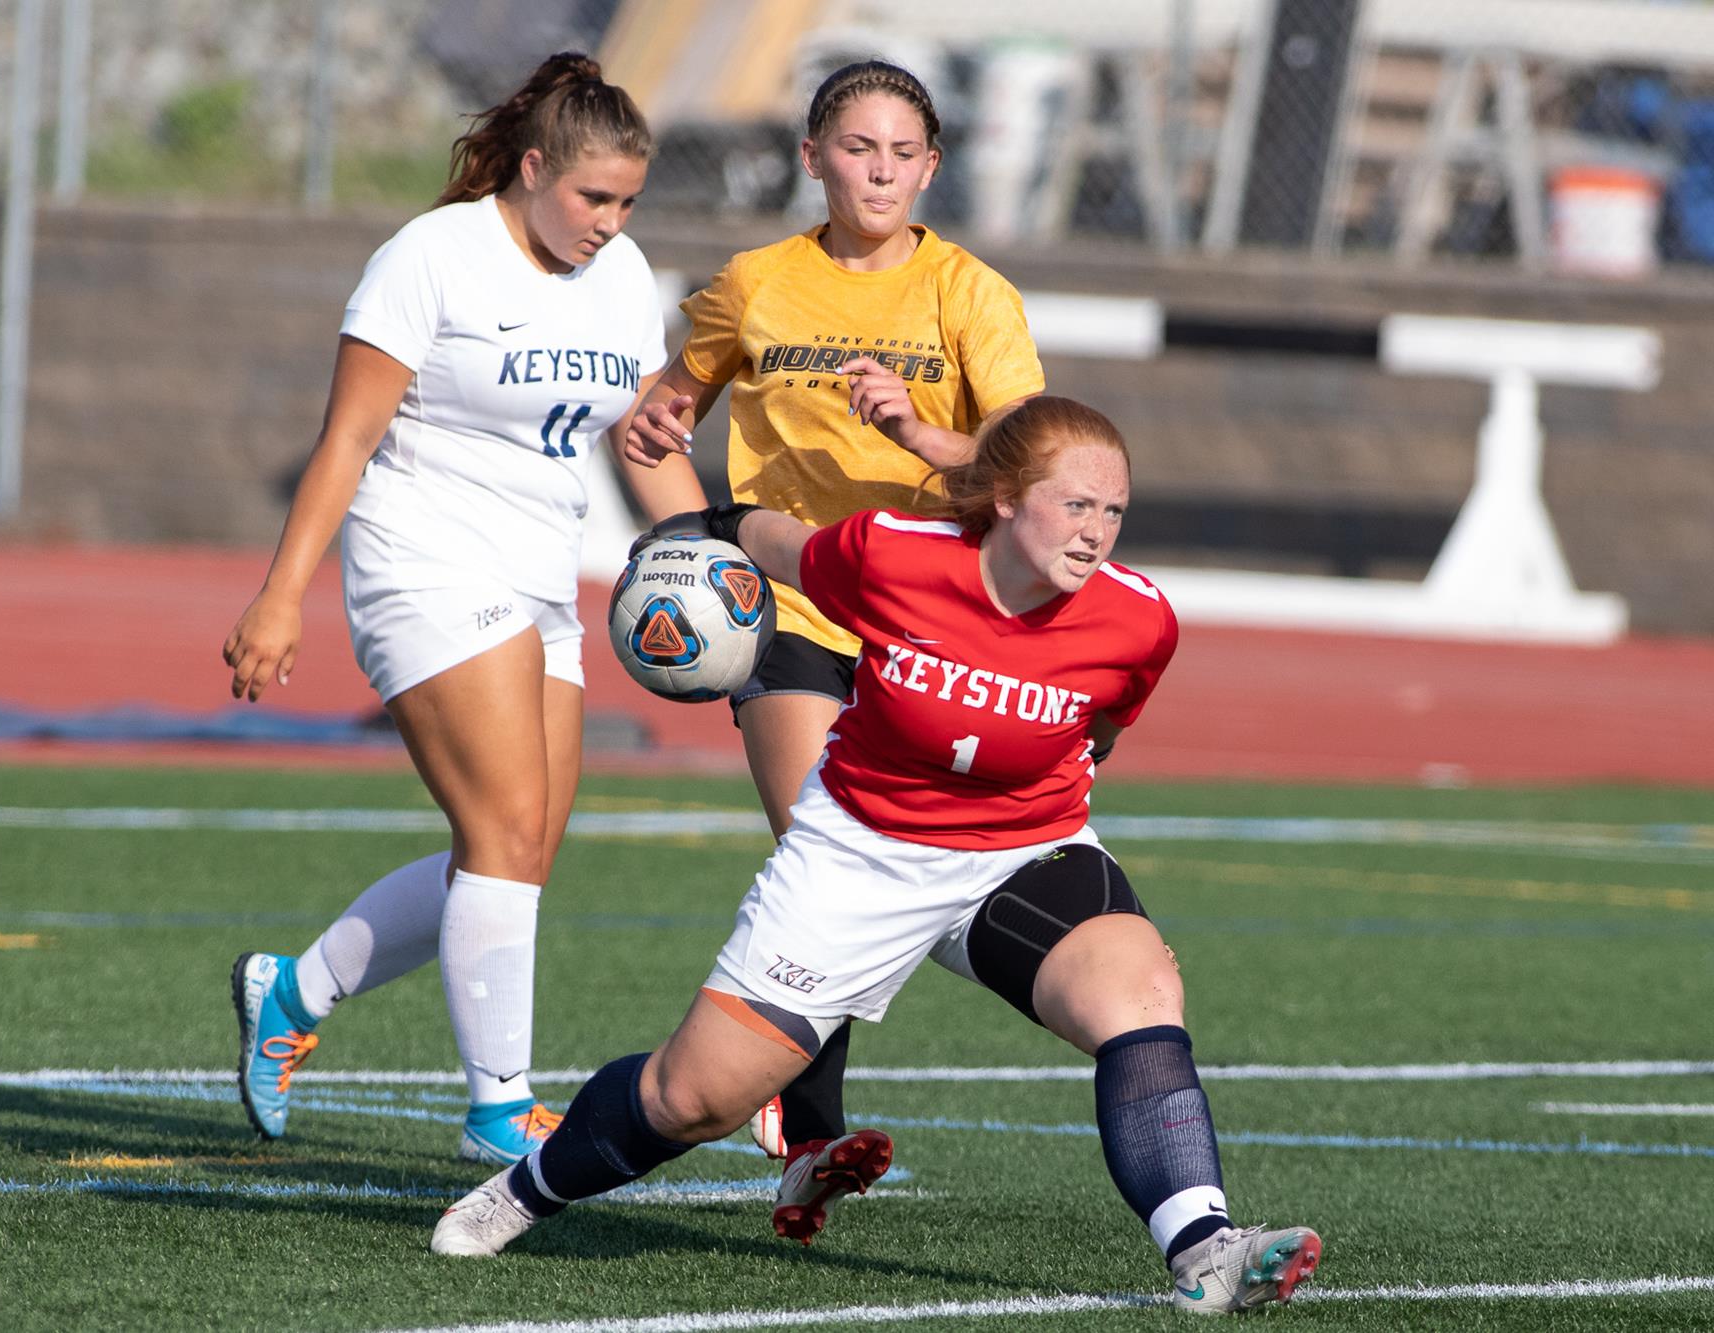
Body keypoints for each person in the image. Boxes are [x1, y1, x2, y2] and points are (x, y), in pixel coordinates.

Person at [430, 396, 1323, 1316]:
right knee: (692, 1100)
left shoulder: (1138, 621)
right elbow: (782, 545)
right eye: (1076, 506)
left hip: (1023, 850)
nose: (1097, 534)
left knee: (1141, 1000)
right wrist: (711, 524)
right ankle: (522, 1191)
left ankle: (1205, 1247)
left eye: (1114, 512)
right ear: (1007, 499)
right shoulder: (890, 555)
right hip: (860, 856)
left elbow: (1099, 731)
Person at [220, 52, 705, 1166]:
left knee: (519, 847)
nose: (608, 220)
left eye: (627, 200)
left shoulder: (622, 273)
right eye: (592, 196)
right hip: (423, 561)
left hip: (540, 574)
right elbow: (344, 438)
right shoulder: (430, 255)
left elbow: (644, 445)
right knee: (497, 831)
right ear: (532, 168)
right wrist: (280, 595)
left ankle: (293, 992)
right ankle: (500, 1104)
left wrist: (704, 564)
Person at [620, 58, 1048, 1181]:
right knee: (823, 837)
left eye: (903, 154)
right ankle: (808, 1127)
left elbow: (1026, 470)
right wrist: (687, 555)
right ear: (811, 157)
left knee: (910, 860)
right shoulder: (754, 284)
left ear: (932, 168)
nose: (880, 171)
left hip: (931, 618)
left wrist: (921, 433)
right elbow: (653, 423)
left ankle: (772, 1088)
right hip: (796, 604)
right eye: (857, 148)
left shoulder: (970, 295)